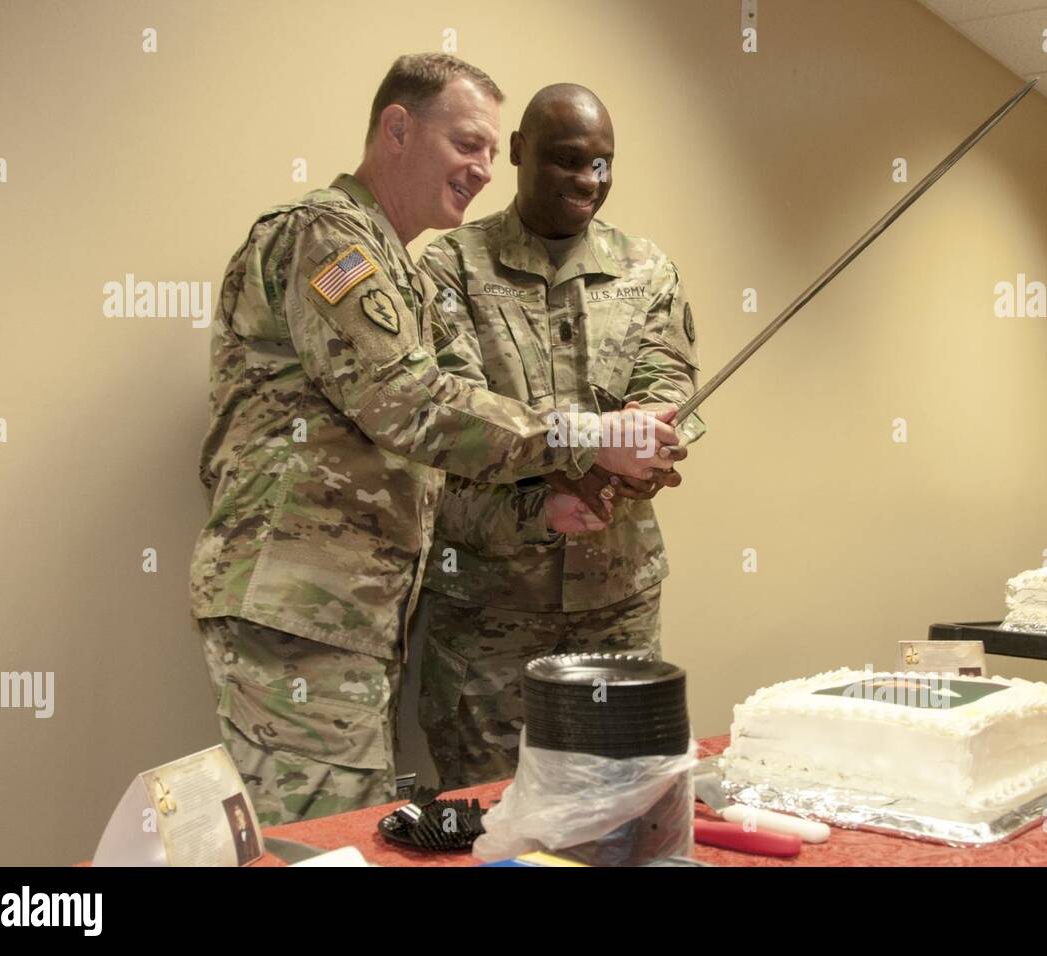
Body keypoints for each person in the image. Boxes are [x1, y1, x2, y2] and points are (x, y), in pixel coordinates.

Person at [189, 56, 681, 825]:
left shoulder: (396, 266)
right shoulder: (328, 237)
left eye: (489, 150)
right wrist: (591, 433)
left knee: (345, 827)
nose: (483, 168)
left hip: (350, 613)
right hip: (299, 607)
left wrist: (544, 502)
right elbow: (408, 403)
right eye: (466, 144)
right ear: (397, 128)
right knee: (324, 841)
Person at [417, 83, 705, 788]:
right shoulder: (448, 269)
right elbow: (444, 427)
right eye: (567, 160)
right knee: (493, 820)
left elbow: (669, 395)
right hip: (490, 613)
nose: (588, 181)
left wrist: (635, 456)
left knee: (626, 807)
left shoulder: (647, 270)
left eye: (603, 164)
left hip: (619, 605)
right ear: (517, 152)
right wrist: (568, 468)